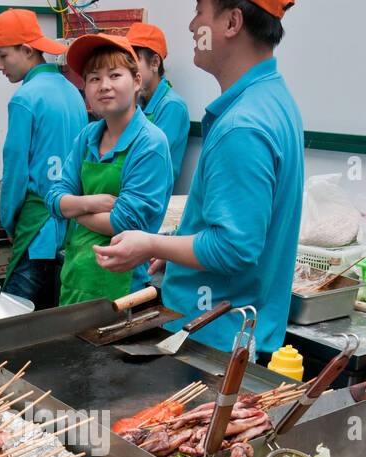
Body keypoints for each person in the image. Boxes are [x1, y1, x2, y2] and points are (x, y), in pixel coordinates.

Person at [97, 0, 304, 357]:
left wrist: (150, 245)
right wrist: (177, 245)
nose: (192, 27)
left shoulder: (242, 126)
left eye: (199, 12)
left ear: (232, 22)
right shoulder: (273, 99)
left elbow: (233, 248)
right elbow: (236, 219)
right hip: (240, 334)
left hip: (215, 341)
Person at [44, 34, 171, 305]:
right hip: (76, 277)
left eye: (114, 75)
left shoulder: (149, 143)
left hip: (122, 289)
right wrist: (92, 202)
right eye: (93, 78)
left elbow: (123, 222)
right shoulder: (88, 136)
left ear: (137, 81)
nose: (104, 86)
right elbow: (53, 198)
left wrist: (76, 212)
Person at [0, 8, 86, 310]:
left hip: (36, 227)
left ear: (28, 50)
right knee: (55, 317)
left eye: (3, 56)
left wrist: (7, 220)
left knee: (15, 319)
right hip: (71, 224)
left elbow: (16, 171)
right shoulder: (73, 92)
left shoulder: (25, 98)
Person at [126, 22, 191, 190]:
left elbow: (150, 160)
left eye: (133, 60)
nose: (127, 69)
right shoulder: (138, 101)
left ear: (155, 62)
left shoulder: (171, 106)